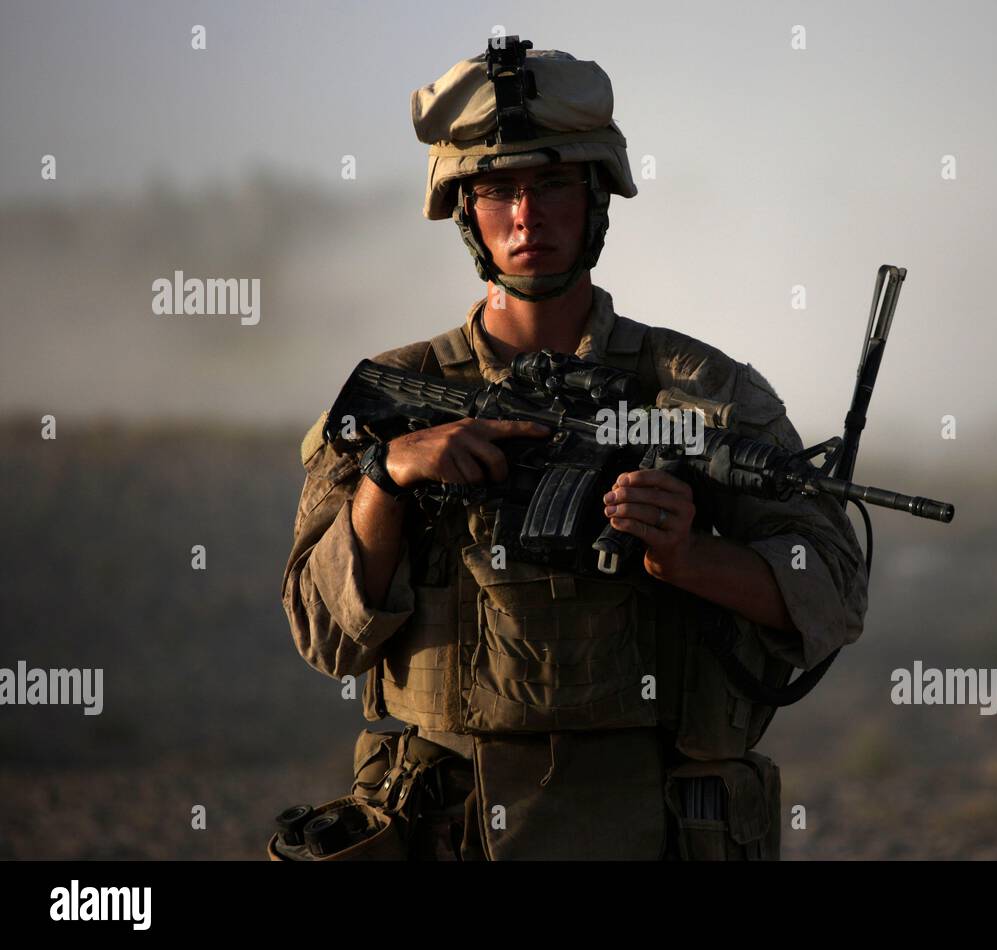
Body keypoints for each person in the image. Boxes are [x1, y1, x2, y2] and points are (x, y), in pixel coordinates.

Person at [280, 38, 869, 860]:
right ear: (466, 214)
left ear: (597, 201)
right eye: (499, 192)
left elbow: (835, 591)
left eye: (554, 185)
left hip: (654, 821)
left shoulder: (702, 392)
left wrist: (686, 557)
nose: (529, 217)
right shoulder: (396, 396)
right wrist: (388, 480)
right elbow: (323, 635)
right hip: (452, 823)